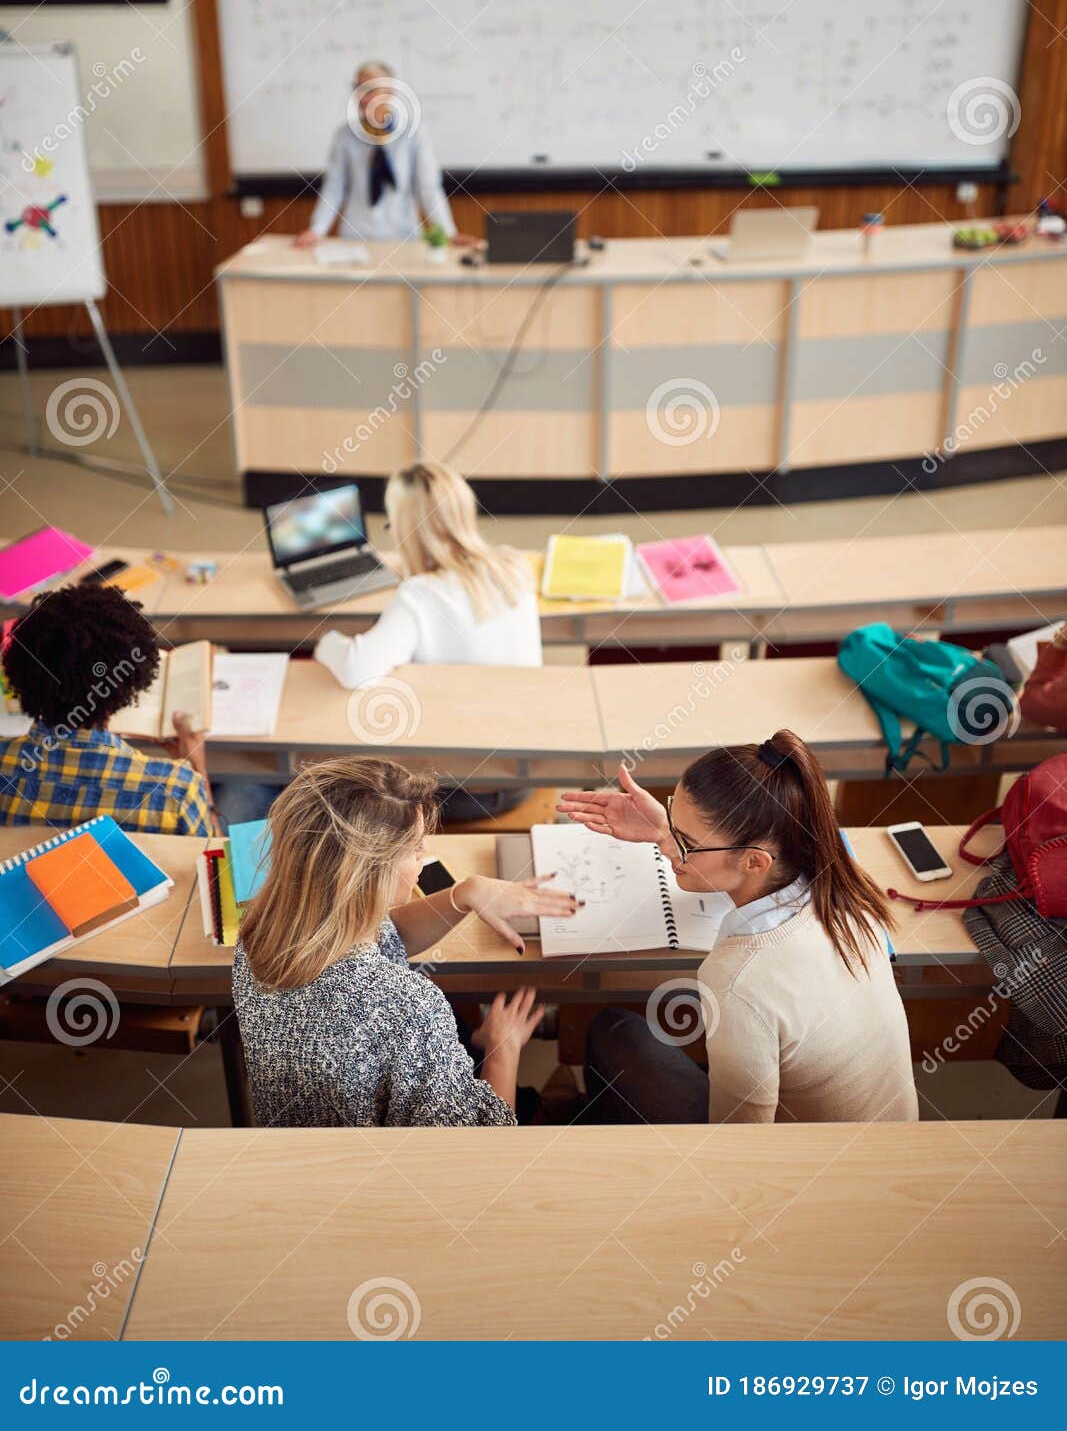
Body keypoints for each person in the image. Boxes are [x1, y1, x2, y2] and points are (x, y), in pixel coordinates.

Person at [560, 729, 918, 1126]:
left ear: (754, 862)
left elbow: (739, 1139)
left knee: (613, 1031)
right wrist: (666, 829)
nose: (667, 849)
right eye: (673, 816)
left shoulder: (738, 980)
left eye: (685, 841)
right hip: (892, 1137)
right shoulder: (844, 886)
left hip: (806, 1161)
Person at [233, 756, 580, 1127]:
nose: (424, 857)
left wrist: (464, 893)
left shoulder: (258, 935)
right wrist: (502, 1048)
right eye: (415, 849)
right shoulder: (409, 1007)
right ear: (370, 876)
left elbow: (383, 937)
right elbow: (478, 1147)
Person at [314, 461, 540, 819]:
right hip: (522, 777)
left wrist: (325, 640)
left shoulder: (420, 594)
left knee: (341, 760)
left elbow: (356, 669)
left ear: (406, 529)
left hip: (453, 795)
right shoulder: (515, 566)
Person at [0, 583, 211, 834]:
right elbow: (214, 856)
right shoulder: (177, 790)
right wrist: (199, 771)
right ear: (131, 684)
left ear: (19, 673)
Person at [294, 60, 475, 248]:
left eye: (370, 89)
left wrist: (448, 232)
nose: (362, 96)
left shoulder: (415, 133)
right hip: (355, 236)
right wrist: (317, 229)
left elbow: (428, 188)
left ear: (390, 92)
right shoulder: (344, 136)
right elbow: (334, 187)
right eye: (358, 88)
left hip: (404, 236)